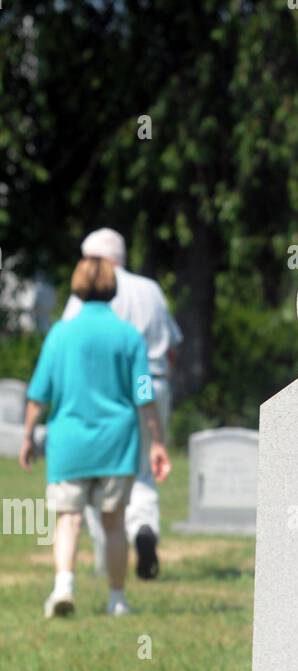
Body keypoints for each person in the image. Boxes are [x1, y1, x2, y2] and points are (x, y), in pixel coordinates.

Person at [19, 257, 171, 617]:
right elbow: (144, 393)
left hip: (68, 444)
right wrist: (158, 441)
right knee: (114, 522)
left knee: (68, 519)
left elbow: (39, 394)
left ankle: (63, 587)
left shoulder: (60, 334)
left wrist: (27, 435)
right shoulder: (130, 337)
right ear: (112, 289)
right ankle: (117, 599)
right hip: (117, 444)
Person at [62, 227, 182, 579]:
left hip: (107, 392)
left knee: (101, 475)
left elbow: (71, 344)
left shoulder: (87, 294)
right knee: (143, 472)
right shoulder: (151, 290)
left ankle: (107, 560)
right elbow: (173, 343)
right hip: (153, 384)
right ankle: (143, 528)